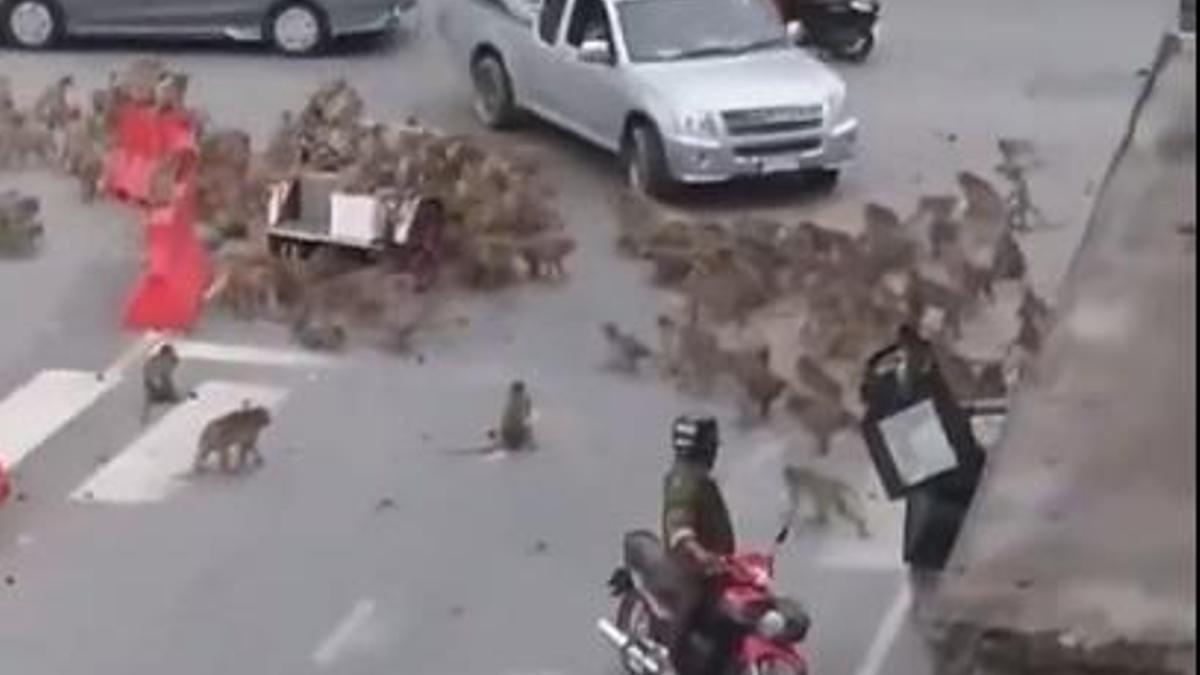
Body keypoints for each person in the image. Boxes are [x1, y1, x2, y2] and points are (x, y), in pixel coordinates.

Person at [661, 414, 736, 675]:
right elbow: (679, 523)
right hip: (690, 566)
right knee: (693, 601)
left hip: (714, 563)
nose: (715, 450)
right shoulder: (683, 481)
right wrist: (698, 551)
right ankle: (674, 663)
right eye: (711, 445)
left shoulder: (700, 477)